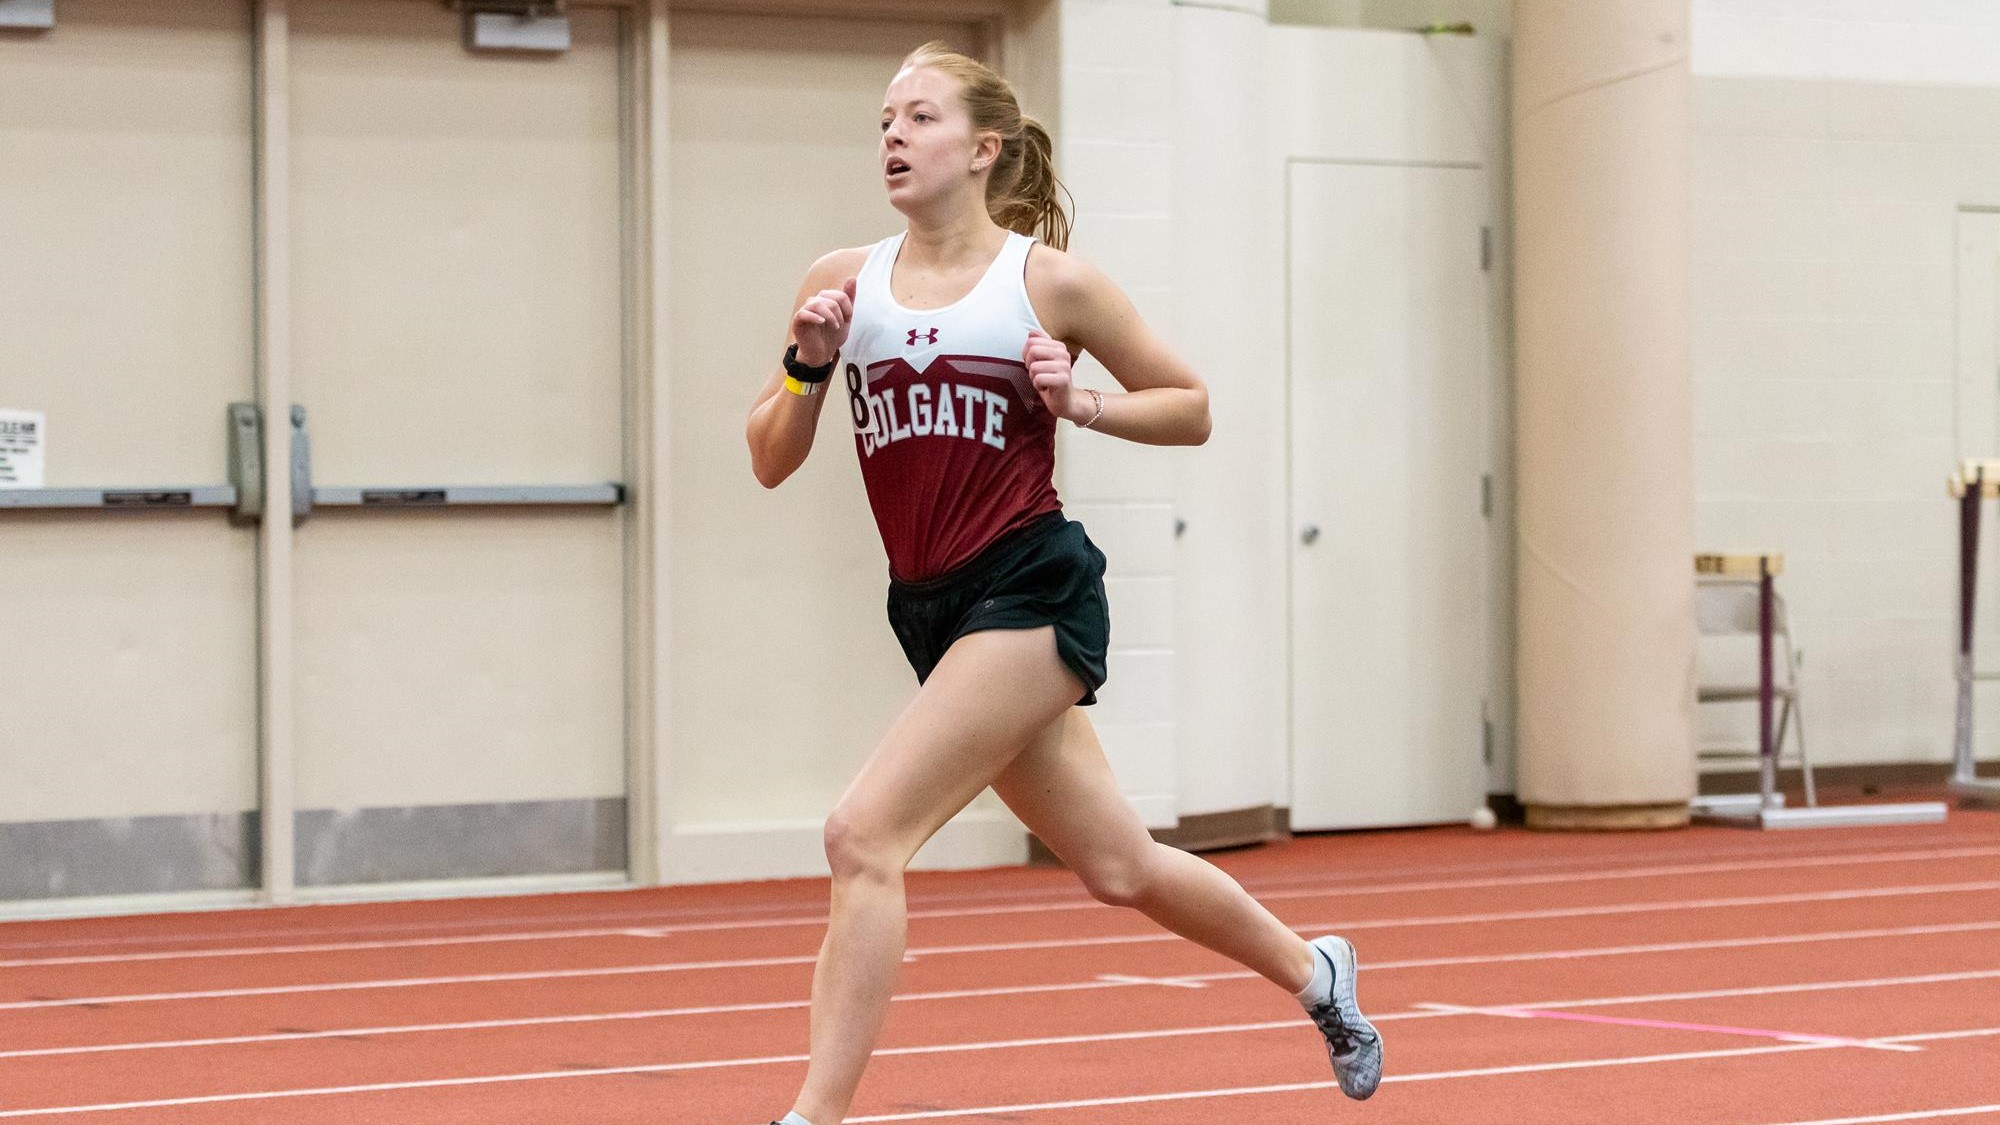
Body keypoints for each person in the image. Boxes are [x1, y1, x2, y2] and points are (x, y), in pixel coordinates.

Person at [742, 41, 1382, 1125]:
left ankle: (812, 1117)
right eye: (884, 122)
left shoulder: (1045, 282)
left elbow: (1190, 406)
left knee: (863, 835)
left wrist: (1081, 405)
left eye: (920, 119)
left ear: (984, 148)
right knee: (1119, 866)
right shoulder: (840, 282)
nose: (893, 137)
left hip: (1031, 587)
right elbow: (767, 456)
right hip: (931, 609)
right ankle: (1315, 971)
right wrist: (809, 364)